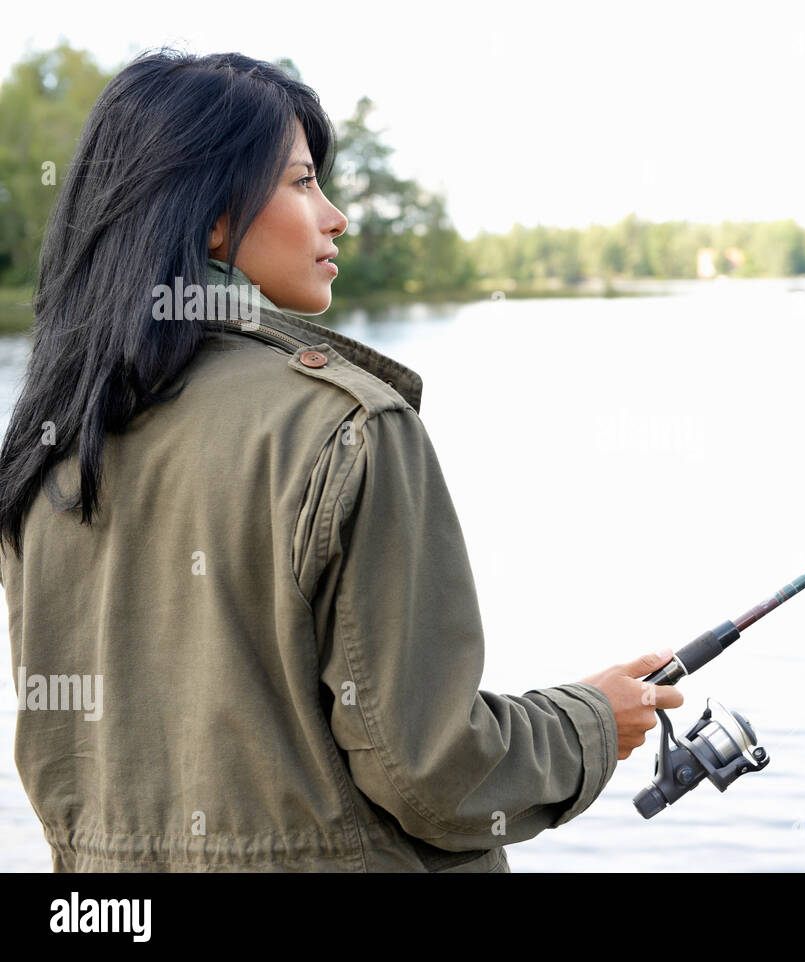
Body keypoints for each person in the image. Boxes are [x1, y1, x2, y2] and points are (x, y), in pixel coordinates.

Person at [0, 48, 684, 872]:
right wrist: (589, 724)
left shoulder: (46, 448)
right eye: (300, 183)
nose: (336, 217)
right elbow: (430, 773)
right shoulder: (350, 426)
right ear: (211, 217)